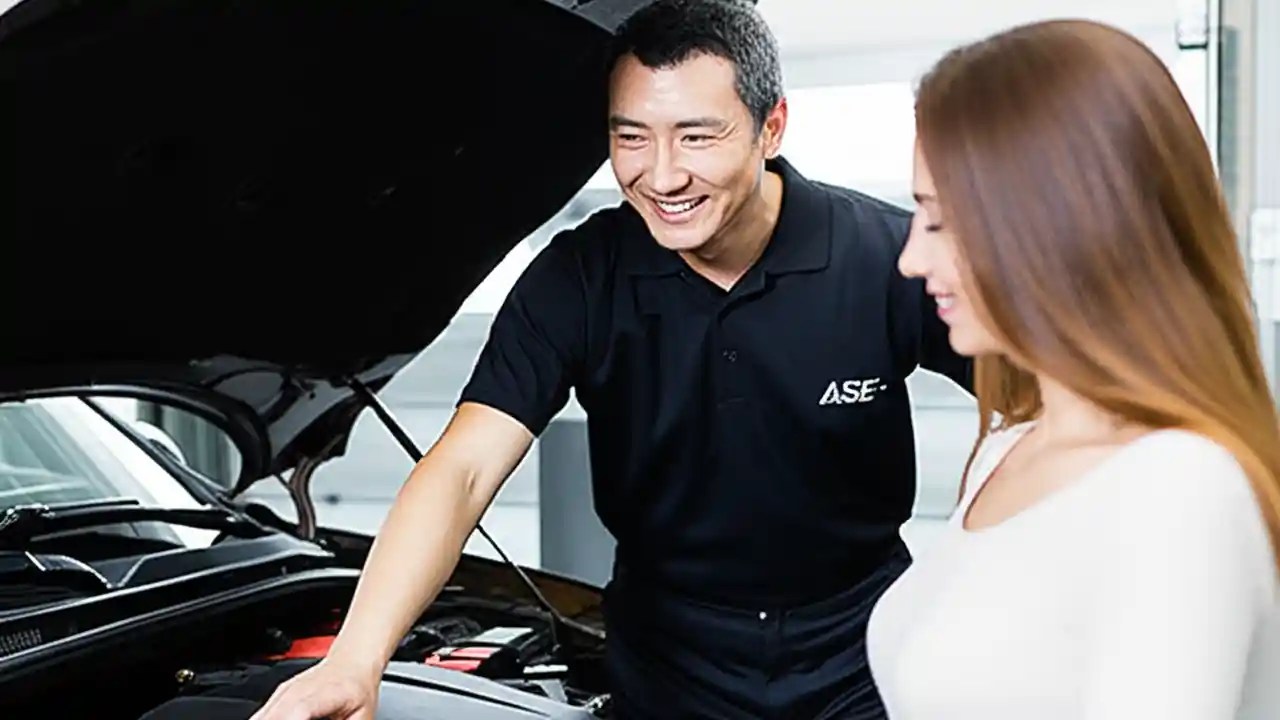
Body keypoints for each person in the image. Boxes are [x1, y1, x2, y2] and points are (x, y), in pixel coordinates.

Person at [250, 1, 968, 718]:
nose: (663, 176)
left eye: (696, 137)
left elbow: (1029, 405)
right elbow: (463, 470)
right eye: (631, 138)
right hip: (669, 673)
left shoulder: (889, 255)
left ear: (770, 127)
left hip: (860, 657)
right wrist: (355, 661)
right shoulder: (579, 278)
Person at [867, 18, 1280, 720]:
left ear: (1059, 225)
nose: (910, 260)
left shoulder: (1178, 488)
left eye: (939, 222)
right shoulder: (1010, 443)